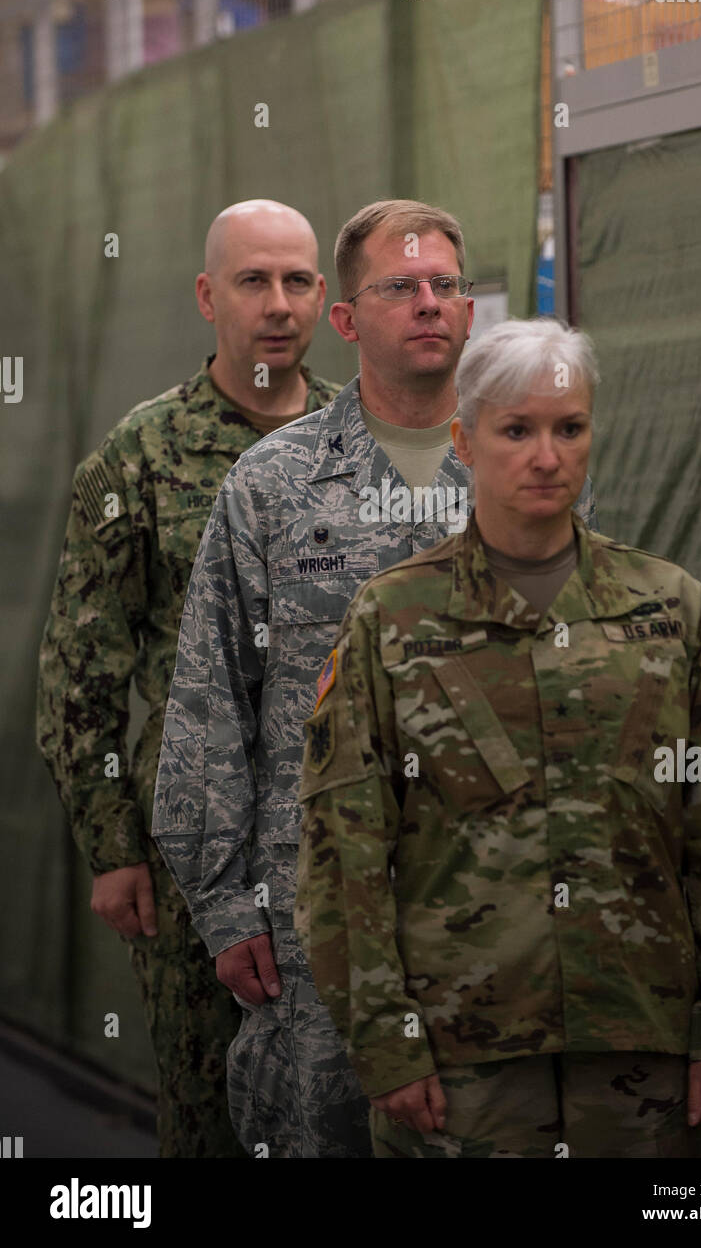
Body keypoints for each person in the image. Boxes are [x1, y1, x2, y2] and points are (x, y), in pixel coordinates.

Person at [152, 201, 600, 1159]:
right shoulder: (272, 486)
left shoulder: (532, 469)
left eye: (446, 285)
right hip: (319, 916)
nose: (428, 304)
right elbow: (205, 704)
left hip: (505, 910)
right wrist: (225, 907)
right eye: (399, 287)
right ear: (348, 320)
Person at [295, 317, 701, 1160]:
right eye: (516, 430)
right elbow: (342, 851)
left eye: (569, 428)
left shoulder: (667, 608)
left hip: (638, 1050)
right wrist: (384, 1042)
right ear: (463, 440)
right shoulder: (393, 618)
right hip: (464, 1058)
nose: (546, 455)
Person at [36, 200, 339, 1158]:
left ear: (323, 296)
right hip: (199, 844)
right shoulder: (140, 456)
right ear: (210, 296)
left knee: (341, 1103)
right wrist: (113, 845)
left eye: (296, 280)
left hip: (341, 828)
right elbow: (80, 674)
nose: (278, 303)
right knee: (213, 1106)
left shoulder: (356, 443)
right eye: (253, 280)